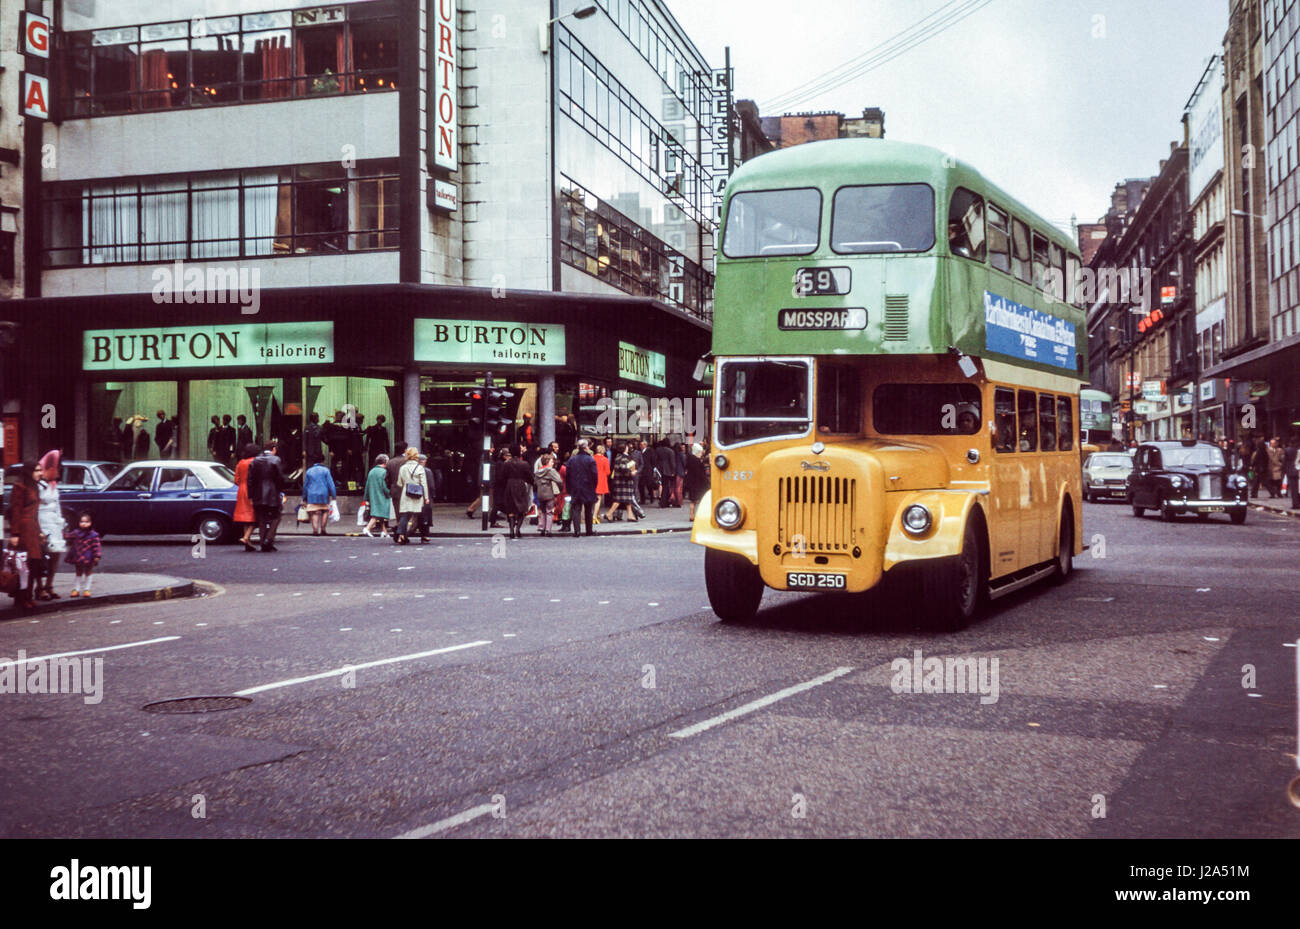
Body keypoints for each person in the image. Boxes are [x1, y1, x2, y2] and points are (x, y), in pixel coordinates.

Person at [6, 461, 44, 608]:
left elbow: (35, 512)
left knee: (33, 564)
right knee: (22, 565)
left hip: (33, 529)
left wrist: (39, 531)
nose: (40, 473)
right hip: (23, 530)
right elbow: (16, 511)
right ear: (29, 472)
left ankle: (27, 596)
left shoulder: (35, 487)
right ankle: (20, 598)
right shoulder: (19, 486)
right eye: (37, 470)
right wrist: (15, 533)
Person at [35, 450, 67, 600]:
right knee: (41, 556)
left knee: (55, 554)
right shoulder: (38, 485)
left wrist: (61, 523)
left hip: (54, 522)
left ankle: (50, 584)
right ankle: (39, 587)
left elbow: (57, 504)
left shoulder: (54, 485)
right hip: (42, 521)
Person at [247, 441, 285, 552]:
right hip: (272, 493)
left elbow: (250, 480)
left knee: (262, 518)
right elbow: (280, 478)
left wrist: (251, 496)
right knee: (276, 516)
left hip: (258, 493)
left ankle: (263, 542)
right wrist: (280, 491)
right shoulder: (276, 460)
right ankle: (269, 539)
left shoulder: (255, 460)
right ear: (273, 449)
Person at [393, 447, 429, 545]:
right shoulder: (420, 467)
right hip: (418, 493)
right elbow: (424, 483)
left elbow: (399, 483)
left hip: (406, 493)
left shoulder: (403, 468)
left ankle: (401, 535)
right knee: (420, 515)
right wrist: (426, 497)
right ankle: (424, 535)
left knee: (405, 515)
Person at [565, 441, 599, 537]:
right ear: (586, 447)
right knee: (588, 509)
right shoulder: (590, 460)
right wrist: (594, 486)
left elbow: (568, 476)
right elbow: (595, 475)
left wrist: (569, 488)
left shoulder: (571, 460)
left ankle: (577, 531)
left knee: (576, 509)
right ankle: (589, 530)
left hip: (575, 487)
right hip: (588, 487)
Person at [65, 512, 102, 598]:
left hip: (89, 556)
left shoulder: (94, 535)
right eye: (81, 522)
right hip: (78, 555)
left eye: (86, 522)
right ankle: (76, 589)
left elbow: (96, 546)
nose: (83, 524)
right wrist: (61, 529)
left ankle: (87, 589)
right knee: (78, 572)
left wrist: (97, 556)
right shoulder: (76, 532)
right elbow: (67, 536)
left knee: (88, 571)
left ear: (90, 523)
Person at [302, 456, 337, 536]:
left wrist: (304, 497)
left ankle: (315, 530)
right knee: (325, 511)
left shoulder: (309, 471)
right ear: (322, 461)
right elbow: (331, 484)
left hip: (312, 495)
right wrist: (334, 496)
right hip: (324, 494)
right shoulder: (326, 470)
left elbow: (305, 486)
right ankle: (323, 529)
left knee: (315, 512)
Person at [605, 443, 640, 523]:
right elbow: (623, 468)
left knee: (628, 500)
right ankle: (609, 514)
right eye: (627, 447)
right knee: (619, 500)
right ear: (625, 449)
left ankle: (630, 516)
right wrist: (631, 473)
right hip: (624, 482)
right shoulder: (624, 458)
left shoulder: (618, 457)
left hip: (619, 481)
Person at [233, 443, 258, 551]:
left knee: (245, 517)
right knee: (254, 515)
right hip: (252, 489)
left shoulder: (240, 462)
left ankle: (248, 542)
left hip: (242, 490)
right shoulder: (255, 462)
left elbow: (236, 480)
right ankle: (246, 537)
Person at [534, 453, 563, 537]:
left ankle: (542, 528)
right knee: (549, 511)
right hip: (549, 493)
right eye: (551, 461)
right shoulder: (550, 470)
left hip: (540, 493)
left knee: (543, 511)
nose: (553, 463)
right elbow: (559, 481)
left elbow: (535, 483)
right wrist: (560, 489)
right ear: (547, 461)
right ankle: (548, 530)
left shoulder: (538, 471)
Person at [364, 454, 393, 538]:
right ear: (385, 462)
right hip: (382, 496)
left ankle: (384, 531)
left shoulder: (371, 471)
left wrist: (366, 497)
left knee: (379, 514)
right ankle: (367, 528)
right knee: (379, 514)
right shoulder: (384, 472)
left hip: (373, 496)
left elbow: (367, 485)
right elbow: (384, 486)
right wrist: (389, 493)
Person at [684, 442, 710, 521]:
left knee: (693, 501)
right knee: (702, 500)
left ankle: (691, 515)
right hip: (698, 483)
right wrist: (707, 483)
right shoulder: (698, 461)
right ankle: (702, 515)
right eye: (700, 452)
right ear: (698, 452)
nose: (701, 454)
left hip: (691, 482)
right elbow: (701, 474)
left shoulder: (689, 459)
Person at [418, 453, 436, 542]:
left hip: (415, 495)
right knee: (426, 515)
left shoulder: (414, 470)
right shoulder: (427, 471)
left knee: (418, 515)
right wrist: (433, 494)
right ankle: (425, 534)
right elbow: (431, 485)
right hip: (426, 495)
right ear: (424, 461)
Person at [593, 441, 611, 523]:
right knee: (599, 499)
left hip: (593, 479)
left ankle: (597, 516)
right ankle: (594, 516)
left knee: (594, 498)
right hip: (601, 480)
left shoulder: (592, 458)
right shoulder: (605, 459)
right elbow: (608, 472)